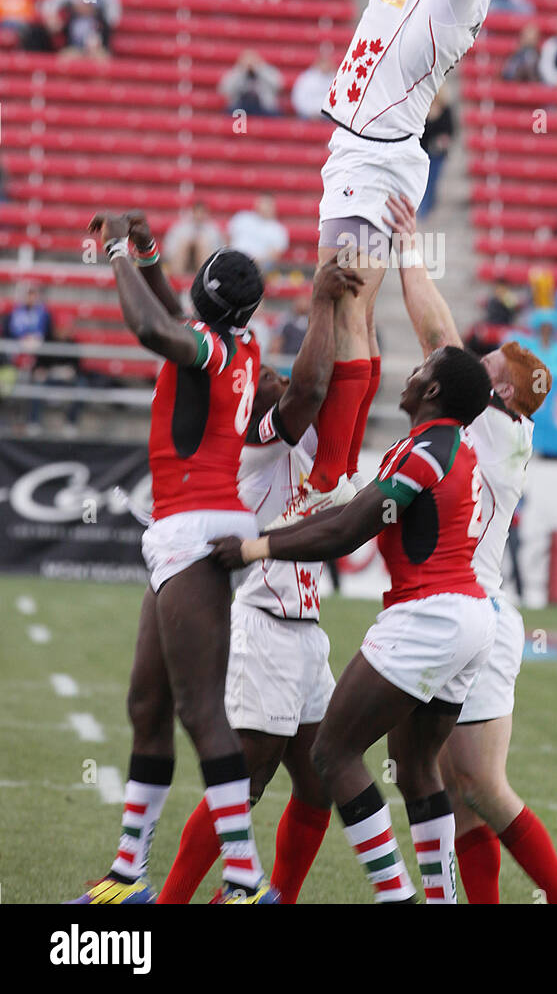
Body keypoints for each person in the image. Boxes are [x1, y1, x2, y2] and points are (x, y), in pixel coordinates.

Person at [284, 0, 550, 522]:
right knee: (348, 311)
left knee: (346, 308)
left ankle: (330, 473)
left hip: (378, 157)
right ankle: (330, 468)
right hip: (357, 149)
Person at [212, 343, 499, 905]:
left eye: (420, 370)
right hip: (470, 617)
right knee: (416, 768)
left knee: (332, 753)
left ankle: (397, 896)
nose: (409, 375)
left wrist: (256, 547)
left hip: (428, 614)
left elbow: (349, 532)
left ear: (433, 391)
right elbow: (355, 513)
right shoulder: (458, 447)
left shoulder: (422, 449)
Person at [379, 192, 557, 905]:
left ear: (496, 389)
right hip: (469, 609)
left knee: (481, 787)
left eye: (487, 360)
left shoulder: (494, 427)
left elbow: (437, 330)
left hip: (478, 613)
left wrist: (408, 245)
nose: (475, 354)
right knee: (458, 789)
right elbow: (441, 335)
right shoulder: (502, 426)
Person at [69, 210, 275, 904]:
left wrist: (119, 254)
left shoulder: (205, 346)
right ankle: (129, 872)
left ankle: (246, 881)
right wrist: (146, 248)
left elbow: (152, 327)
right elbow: (171, 313)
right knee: (148, 701)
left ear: (206, 299)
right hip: (190, 526)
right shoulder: (234, 344)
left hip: (196, 527)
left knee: (199, 709)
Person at [156, 259, 364, 905]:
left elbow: (330, 386)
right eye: (263, 374)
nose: (269, 375)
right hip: (264, 624)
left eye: (273, 372)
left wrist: (353, 308)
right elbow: (306, 389)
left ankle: (272, 898)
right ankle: (171, 901)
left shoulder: (291, 445)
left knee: (317, 781)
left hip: (304, 631)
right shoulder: (258, 440)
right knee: (245, 775)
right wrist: (322, 301)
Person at [418, 89, 455, 218]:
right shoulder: (422, 109)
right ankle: (422, 208)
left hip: (437, 154)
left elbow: (451, 130)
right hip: (424, 152)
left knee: (433, 180)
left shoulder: (445, 110)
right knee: (423, 180)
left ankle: (427, 208)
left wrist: (443, 139)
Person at [228, 196, 289, 270]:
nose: (264, 207)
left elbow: (274, 255)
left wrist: (250, 261)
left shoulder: (278, 230)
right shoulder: (242, 217)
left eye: (267, 204)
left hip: (257, 266)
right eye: (262, 203)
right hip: (233, 259)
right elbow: (228, 238)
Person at [163, 202, 224, 275]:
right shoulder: (180, 227)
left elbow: (218, 251)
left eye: (202, 212)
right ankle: (179, 277)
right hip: (181, 261)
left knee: (202, 245)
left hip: (205, 260)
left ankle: (202, 275)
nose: (199, 215)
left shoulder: (213, 230)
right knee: (183, 244)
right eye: (197, 212)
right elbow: (169, 250)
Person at [219, 49, 282, 117]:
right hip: (241, 106)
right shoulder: (236, 72)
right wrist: (241, 71)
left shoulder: (267, 71)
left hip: (263, 106)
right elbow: (225, 90)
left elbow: (278, 86)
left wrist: (259, 69)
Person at [291, 46, 336, 119]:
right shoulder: (307, 78)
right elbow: (298, 98)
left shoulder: (335, 79)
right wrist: (311, 112)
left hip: (328, 117)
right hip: (308, 115)